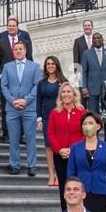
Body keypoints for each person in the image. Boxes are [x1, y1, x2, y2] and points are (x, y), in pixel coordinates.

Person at [68, 111, 106, 212]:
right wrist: (71, 194)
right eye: (84, 124)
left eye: (90, 123)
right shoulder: (75, 147)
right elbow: (71, 175)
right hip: (81, 195)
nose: (87, 126)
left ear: (98, 126)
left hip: (101, 193)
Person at [1, 39, 40, 177]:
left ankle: (32, 166)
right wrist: (12, 101)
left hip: (29, 108)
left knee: (30, 138)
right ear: (13, 51)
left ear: (25, 51)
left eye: (20, 49)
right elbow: (3, 86)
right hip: (12, 108)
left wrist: (26, 100)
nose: (18, 51)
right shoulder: (7, 67)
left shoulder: (35, 66)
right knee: (13, 138)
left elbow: (37, 86)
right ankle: (14, 164)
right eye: (15, 49)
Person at [0, 16, 32, 141]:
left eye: (14, 25)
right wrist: (1, 75)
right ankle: (7, 134)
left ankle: (20, 135)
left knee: (21, 107)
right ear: (7, 27)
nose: (11, 27)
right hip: (6, 81)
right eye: (9, 25)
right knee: (6, 107)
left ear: (17, 27)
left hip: (21, 80)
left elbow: (29, 58)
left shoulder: (23, 42)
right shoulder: (1, 41)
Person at [37, 56, 67, 185]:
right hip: (46, 118)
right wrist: (39, 118)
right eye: (48, 64)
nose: (50, 66)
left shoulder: (63, 81)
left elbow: (67, 98)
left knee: (59, 146)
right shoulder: (41, 83)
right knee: (49, 147)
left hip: (60, 117)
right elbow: (38, 102)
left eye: (52, 63)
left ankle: (61, 175)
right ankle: (51, 175)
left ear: (57, 65)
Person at [79, 32, 106, 115]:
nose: (96, 40)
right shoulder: (86, 53)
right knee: (93, 114)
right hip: (92, 89)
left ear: (102, 39)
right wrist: (84, 88)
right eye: (94, 38)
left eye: (98, 38)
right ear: (92, 41)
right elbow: (83, 72)